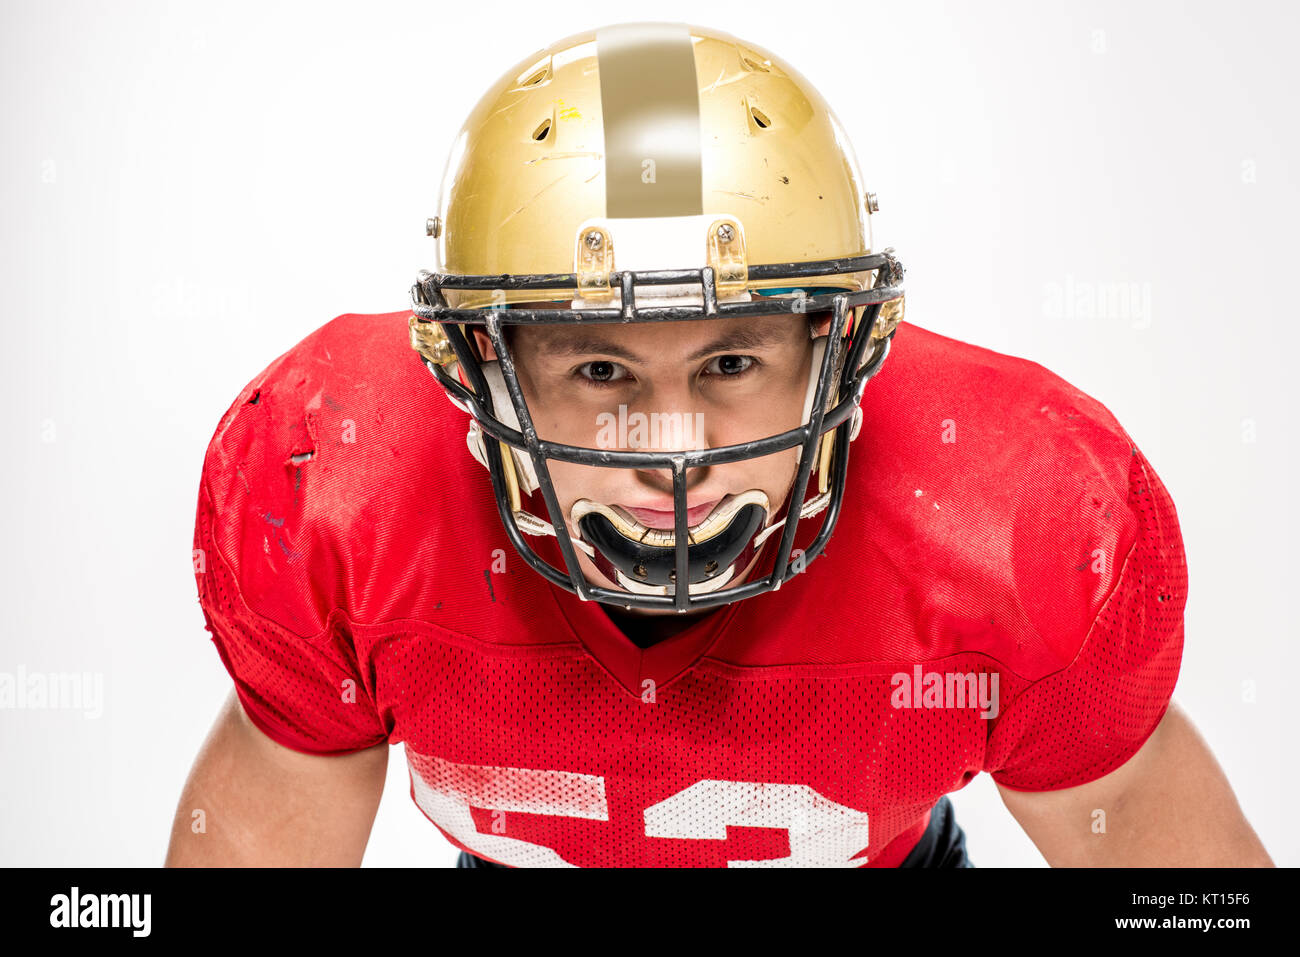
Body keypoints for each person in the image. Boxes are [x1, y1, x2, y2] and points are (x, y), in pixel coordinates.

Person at [166, 22, 1272, 868]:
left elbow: (1123, 813)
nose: (668, 440)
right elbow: (277, 797)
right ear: (477, 367)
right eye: (600, 370)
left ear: (840, 353)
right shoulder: (337, 484)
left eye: (730, 366)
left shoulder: (1010, 513)